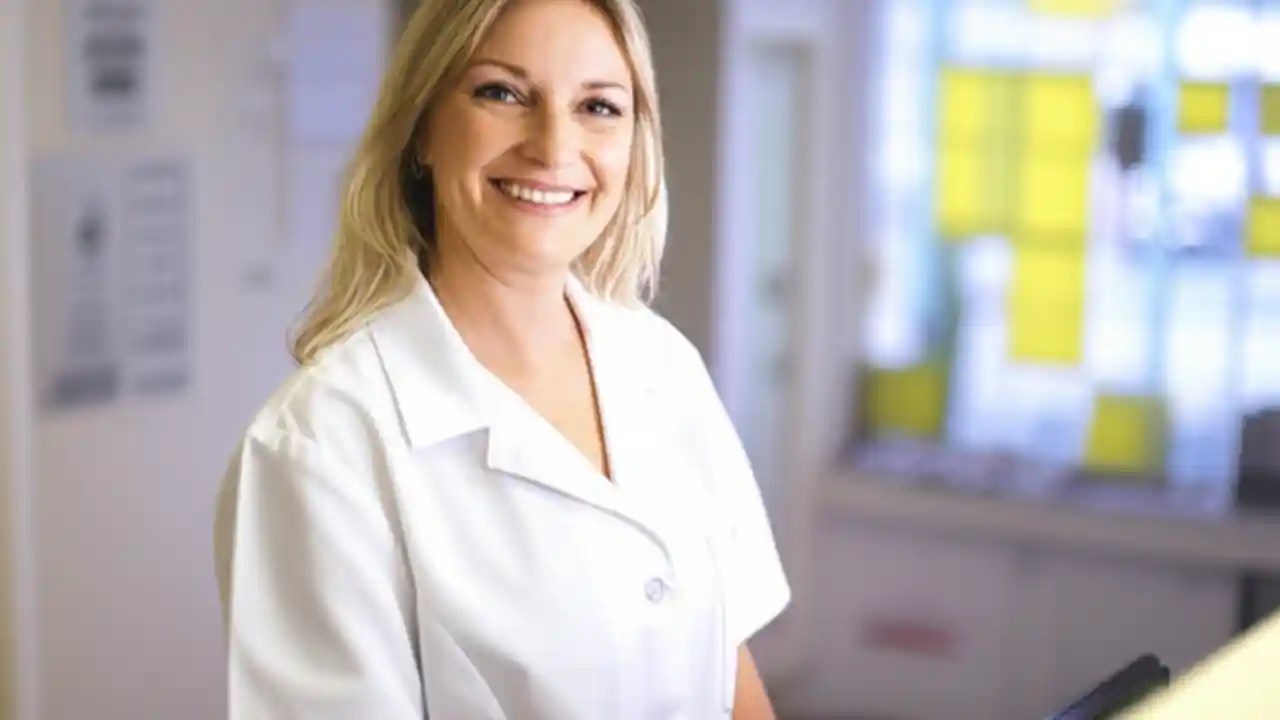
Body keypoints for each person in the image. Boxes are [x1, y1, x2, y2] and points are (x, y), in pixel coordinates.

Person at [213, 0, 790, 716]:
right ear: (422, 129)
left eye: (599, 107)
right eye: (503, 93)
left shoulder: (662, 364)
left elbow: (729, 668)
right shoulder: (322, 444)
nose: (553, 147)